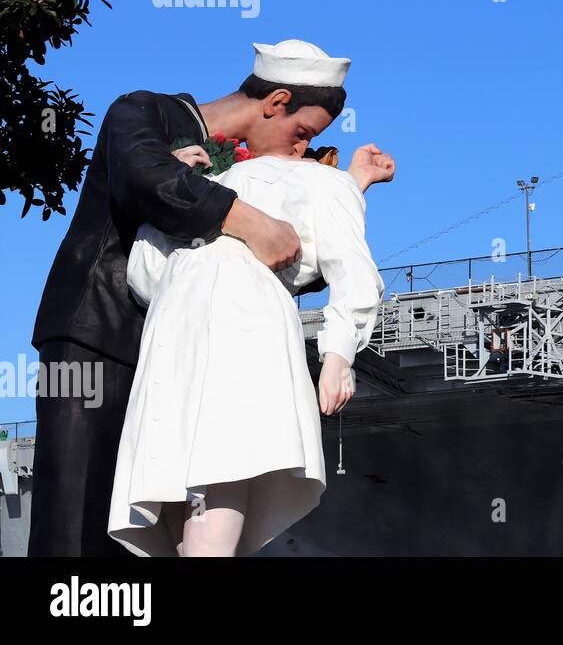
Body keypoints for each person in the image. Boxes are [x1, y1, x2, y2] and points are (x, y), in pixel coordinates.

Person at [27, 39, 349, 557]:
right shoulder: (143, 110)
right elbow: (148, 178)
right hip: (98, 336)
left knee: (156, 529)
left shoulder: (253, 173)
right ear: (275, 101)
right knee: (77, 517)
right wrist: (254, 221)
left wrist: (336, 205)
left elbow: (270, 270)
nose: (297, 149)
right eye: (300, 132)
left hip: (183, 356)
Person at [106, 139, 394, 556]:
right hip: (218, 318)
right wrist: (337, 357)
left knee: (183, 471)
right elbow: (352, 273)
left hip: (178, 322)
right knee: (215, 466)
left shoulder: (210, 189)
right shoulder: (317, 182)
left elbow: (144, 276)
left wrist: (170, 186)